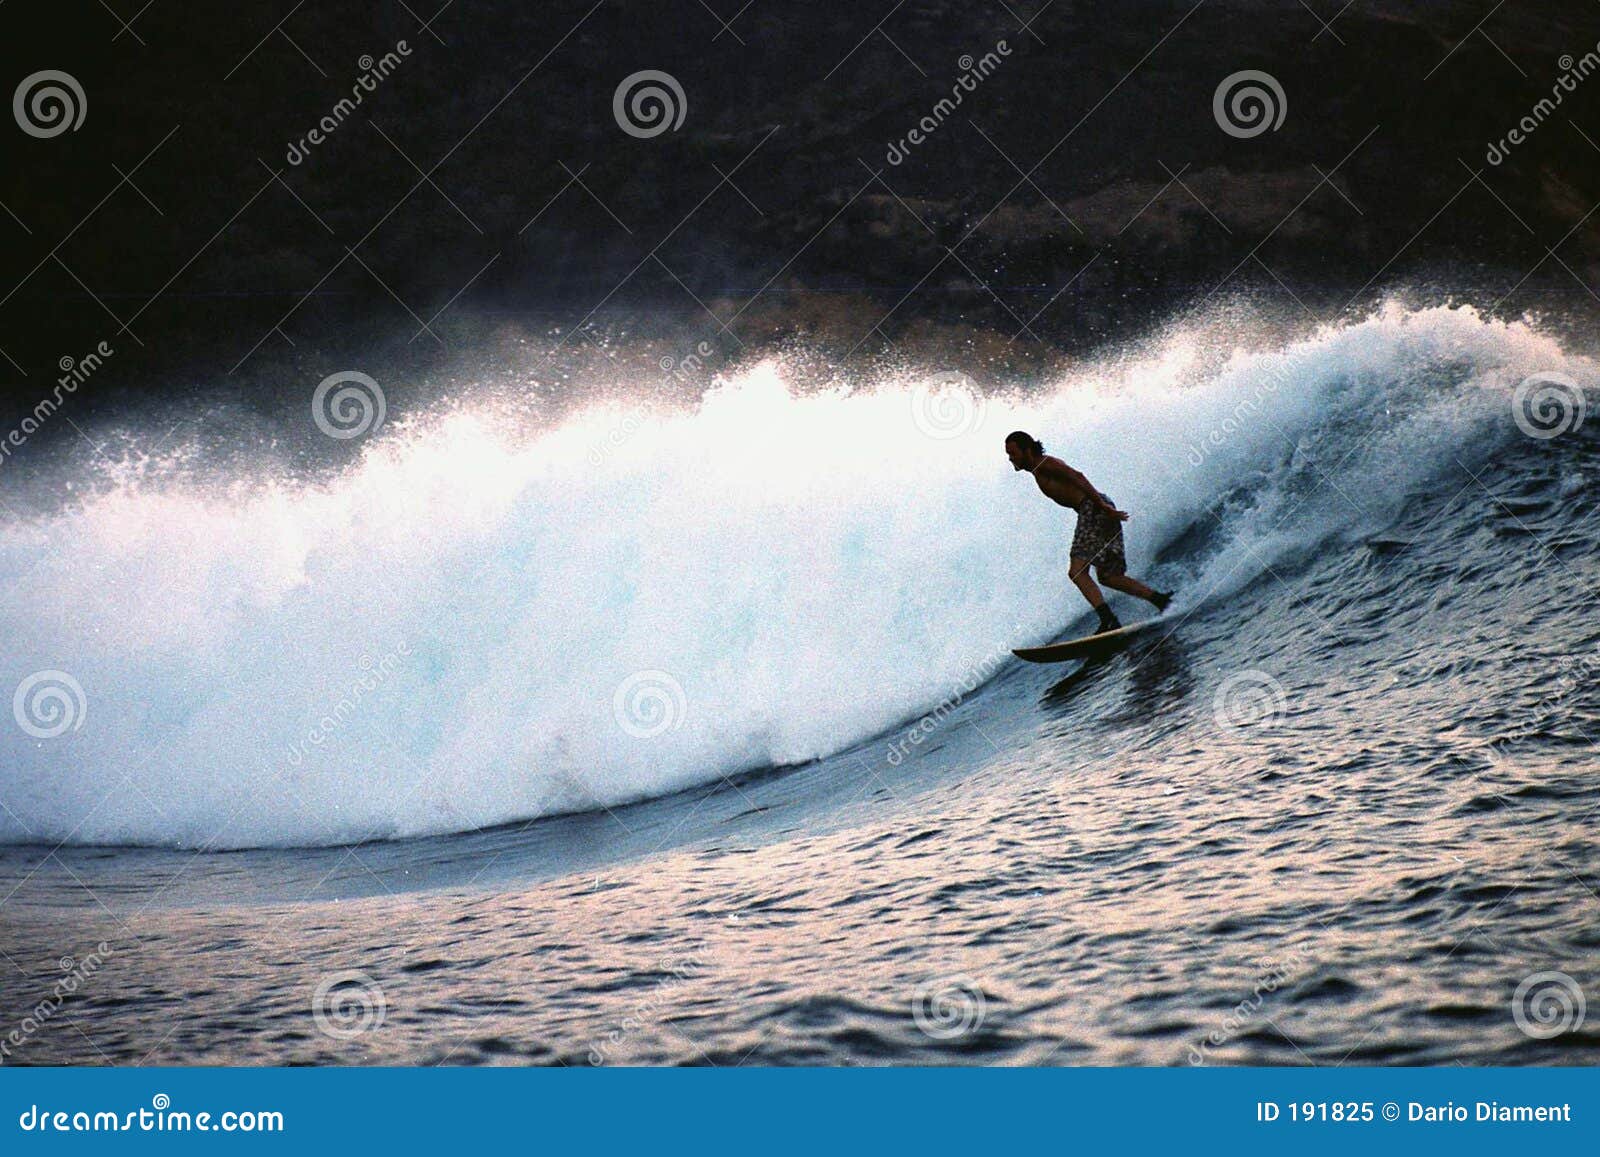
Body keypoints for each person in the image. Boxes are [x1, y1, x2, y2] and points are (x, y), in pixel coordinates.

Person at [1005, 430, 1172, 634]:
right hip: (1094, 508)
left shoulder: (1045, 464)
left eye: (1013, 453)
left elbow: (1077, 476)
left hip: (1093, 509)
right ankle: (1161, 600)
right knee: (1108, 576)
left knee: (1077, 572)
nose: (1011, 458)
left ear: (1027, 450)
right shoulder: (1038, 470)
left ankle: (1109, 620)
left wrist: (1102, 505)